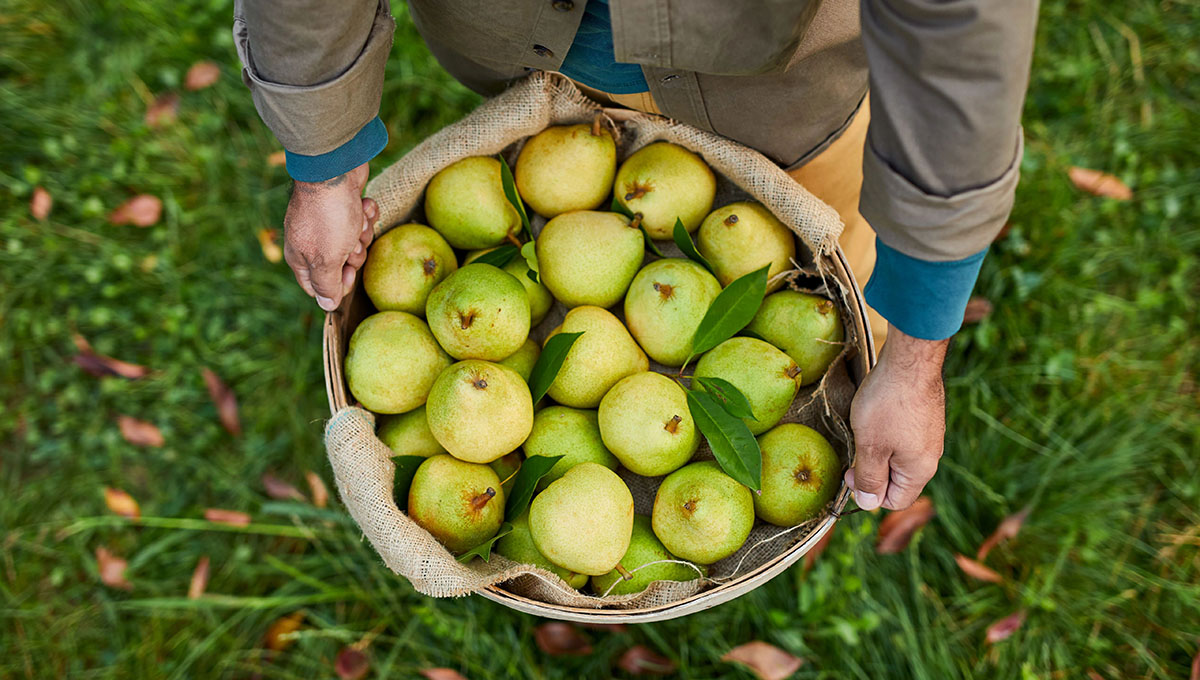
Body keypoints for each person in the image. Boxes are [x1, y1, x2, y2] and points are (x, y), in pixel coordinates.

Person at [233, 0, 1037, 512]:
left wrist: (917, 351)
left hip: (792, 97)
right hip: (527, 68)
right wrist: (325, 156)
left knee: (834, 265)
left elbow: (961, 36)